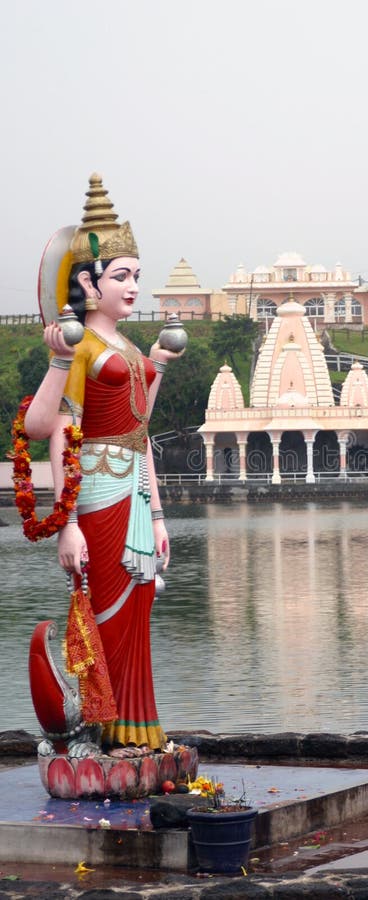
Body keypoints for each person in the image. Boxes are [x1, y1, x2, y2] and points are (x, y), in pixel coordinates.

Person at [24, 173, 181, 757]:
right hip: (95, 492)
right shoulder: (81, 348)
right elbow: (53, 429)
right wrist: (66, 522)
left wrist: (159, 515)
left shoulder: (130, 350)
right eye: (121, 276)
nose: (133, 286)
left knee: (138, 604)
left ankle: (137, 728)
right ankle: (100, 728)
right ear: (89, 283)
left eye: (137, 275)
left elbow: (141, 431)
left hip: (134, 487)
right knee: (104, 606)